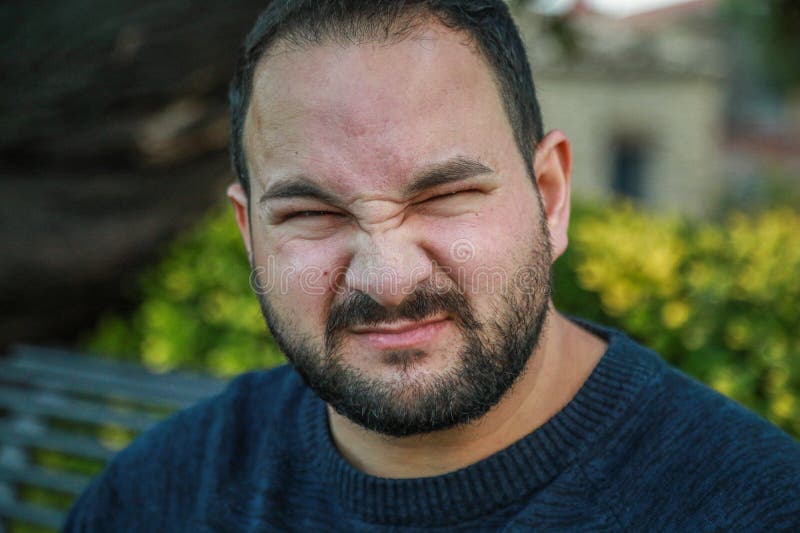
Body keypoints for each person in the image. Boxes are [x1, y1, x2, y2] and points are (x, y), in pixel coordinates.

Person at [65, 1, 800, 531]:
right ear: (250, 232)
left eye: (445, 195)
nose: (386, 278)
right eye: (311, 213)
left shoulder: (752, 506)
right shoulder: (158, 495)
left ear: (550, 197)